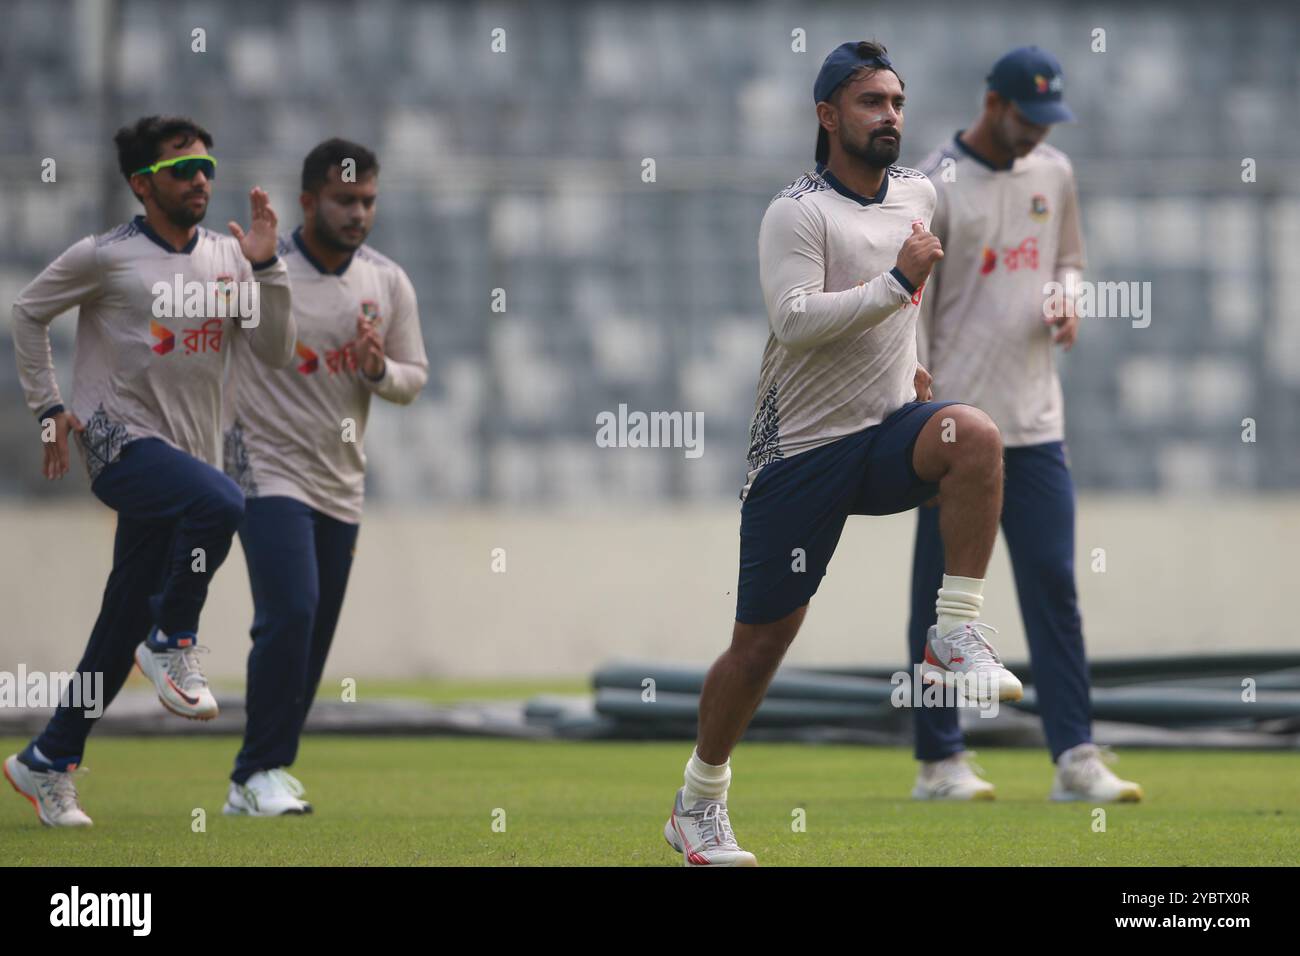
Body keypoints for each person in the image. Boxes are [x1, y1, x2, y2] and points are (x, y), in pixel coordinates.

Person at [663, 41, 1022, 866]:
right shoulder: (796, 212)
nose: (891, 116)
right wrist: (895, 287)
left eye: (897, 102)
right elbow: (794, 319)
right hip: (802, 451)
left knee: (976, 436)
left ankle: (953, 636)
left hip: (889, 427)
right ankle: (698, 801)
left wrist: (915, 351)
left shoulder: (920, 194)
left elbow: (914, 296)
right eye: (872, 103)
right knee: (761, 647)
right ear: (828, 116)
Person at [4, 115, 295, 827]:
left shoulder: (230, 258)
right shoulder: (105, 257)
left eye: (206, 168)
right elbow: (28, 311)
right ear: (142, 184)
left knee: (119, 619)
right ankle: (174, 639)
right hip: (117, 444)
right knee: (223, 506)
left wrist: (266, 266)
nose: (199, 179)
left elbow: (277, 351)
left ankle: (47, 759)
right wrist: (49, 408)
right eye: (180, 170)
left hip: (184, 460)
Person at [909, 46, 1141, 803]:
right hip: (955, 425)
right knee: (941, 597)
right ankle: (940, 764)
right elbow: (910, 300)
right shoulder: (936, 183)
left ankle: (1075, 758)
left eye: (1049, 120)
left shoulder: (1056, 174)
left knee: (1054, 585)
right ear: (994, 103)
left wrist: (1067, 295)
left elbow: (1068, 258)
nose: (1038, 133)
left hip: (1037, 422)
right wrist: (914, 393)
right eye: (1028, 117)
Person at [221, 138, 429, 816]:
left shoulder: (387, 281)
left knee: (311, 628)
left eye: (367, 200)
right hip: (265, 465)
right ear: (308, 201)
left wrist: (375, 372)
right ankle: (256, 772)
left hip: (340, 479)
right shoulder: (263, 269)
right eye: (344, 200)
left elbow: (412, 378)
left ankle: (266, 771)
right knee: (292, 609)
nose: (358, 213)